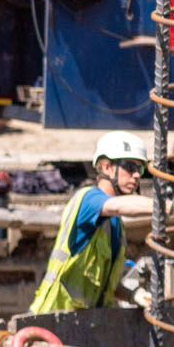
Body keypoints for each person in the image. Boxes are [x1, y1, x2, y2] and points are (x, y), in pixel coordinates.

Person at [29, 132, 148, 314]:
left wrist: (132, 295)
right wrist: (171, 206)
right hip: (53, 319)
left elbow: (104, 287)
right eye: (130, 167)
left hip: (85, 324)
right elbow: (119, 206)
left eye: (140, 169)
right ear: (107, 167)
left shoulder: (115, 224)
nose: (137, 175)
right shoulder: (88, 199)